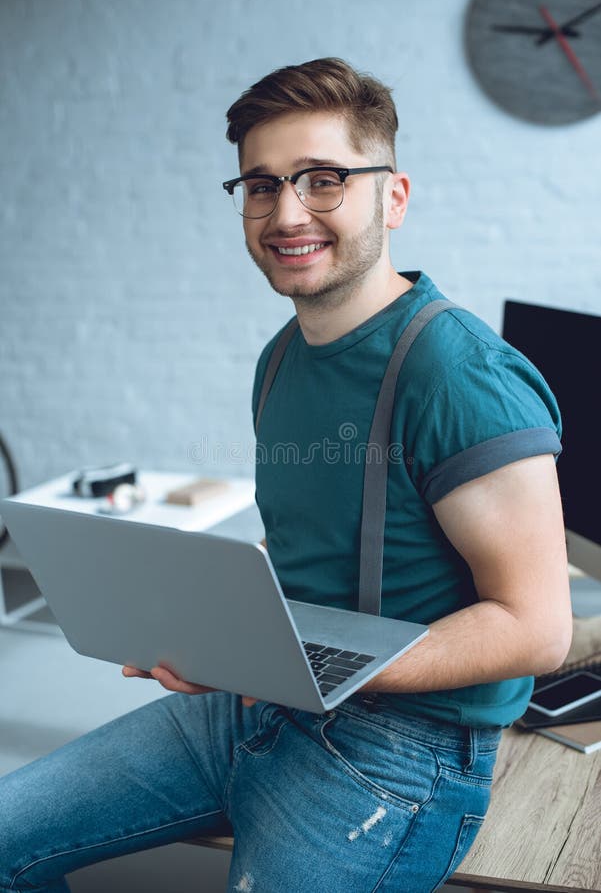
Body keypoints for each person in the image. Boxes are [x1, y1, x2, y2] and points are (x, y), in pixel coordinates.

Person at [0, 57, 572, 893]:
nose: (287, 211)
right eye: (261, 185)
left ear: (393, 197)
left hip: (402, 749)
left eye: (323, 179)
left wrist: (307, 664)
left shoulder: (459, 376)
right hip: (259, 702)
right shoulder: (280, 359)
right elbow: (309, 542)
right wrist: (220, 634)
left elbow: (536, 628)